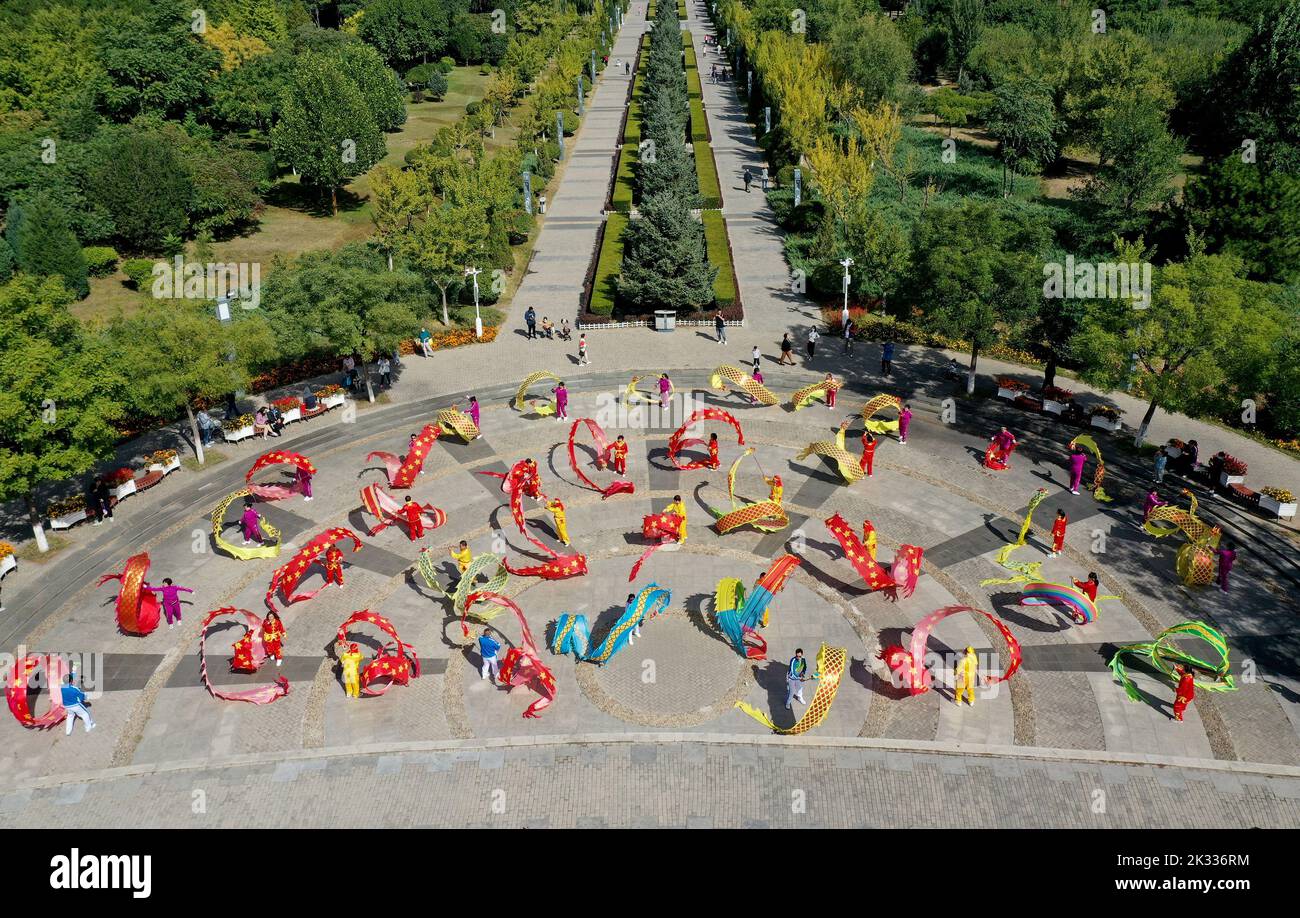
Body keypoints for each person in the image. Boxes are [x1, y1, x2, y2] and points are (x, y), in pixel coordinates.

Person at [61, 667, 95, 735]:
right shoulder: (74, 689)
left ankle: (68, 731)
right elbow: (82, 696)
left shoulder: (62, 687)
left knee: (70, 716)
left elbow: (70, 678)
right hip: (75, 705)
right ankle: (88, 727)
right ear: (71, 681)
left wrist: (73, 672)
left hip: (66, 705)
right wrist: (87, 696)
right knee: (85, 714)